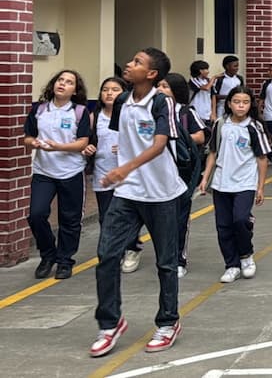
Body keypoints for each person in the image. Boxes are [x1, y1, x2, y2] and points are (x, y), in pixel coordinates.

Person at [90, 48, 186, 358]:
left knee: (166, 262)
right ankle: (110, 323)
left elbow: (159, 145)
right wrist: (119, 170)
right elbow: (124, 139)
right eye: (131, 61)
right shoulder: (121, 101)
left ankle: (168, 323)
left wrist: (125, 167)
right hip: (127, 193)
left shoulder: (162, 102)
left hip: (162, 194)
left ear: (152, 74)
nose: (129, 66)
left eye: (136, 63)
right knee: (106, 255)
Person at [24, 69, 92, 280]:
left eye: (69, 82)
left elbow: (83, 142)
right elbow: (28, 137)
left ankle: (65, 260)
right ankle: (48, 255)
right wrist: (34, 143)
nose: (62, 84)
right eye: (60, 80)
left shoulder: (79, 112)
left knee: (69, 219)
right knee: (36, 214)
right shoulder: (39, 110)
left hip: (71, 171)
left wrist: (59, 147)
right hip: (44, 172)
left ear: (75, 90)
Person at [198, 86, 269, 283]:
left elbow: (262, 158)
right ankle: (231, 264)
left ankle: (246, 255)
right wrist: (205, 178)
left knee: (239, 220)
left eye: (245, 102)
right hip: (221, 183)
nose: (241, 106)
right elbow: (213, 152)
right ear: (229, 103)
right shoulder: (221, 124)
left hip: (245, 183)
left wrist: (260, 186)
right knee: (223, 226)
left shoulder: (254, 127)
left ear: (250, 105)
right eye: (237, 102)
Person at [155, 73, 208, 278]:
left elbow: (200, 136)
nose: (160, 89)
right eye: (158, 86)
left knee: (179, 218)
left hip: (181, 173)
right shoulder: (151, 113)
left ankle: (179, 259)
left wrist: (175, 137)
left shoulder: (185, 112)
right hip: (156, 173)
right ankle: (164, 256)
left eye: (166, 86)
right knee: (160, 219)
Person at [87, 76, 129, 238]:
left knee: (126, 216)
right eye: (105, 90)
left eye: (115, 90)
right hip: (103, 174)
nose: (109, 93)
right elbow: (85, 140)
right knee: (105, 217)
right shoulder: (94, 116)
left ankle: (130, 248)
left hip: (127, 175)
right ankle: (108, 254)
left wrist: (127, 147)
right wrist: (87, 148)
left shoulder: (130, 115)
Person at [210, 55, 242, 123]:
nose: (237, 68)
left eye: (237, 66)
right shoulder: (220, 79)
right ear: (227, 66)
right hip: (221, 109)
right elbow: (214, 95)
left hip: (235, 109)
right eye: (235, 66)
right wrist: (229, 96)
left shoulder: (239, 78)